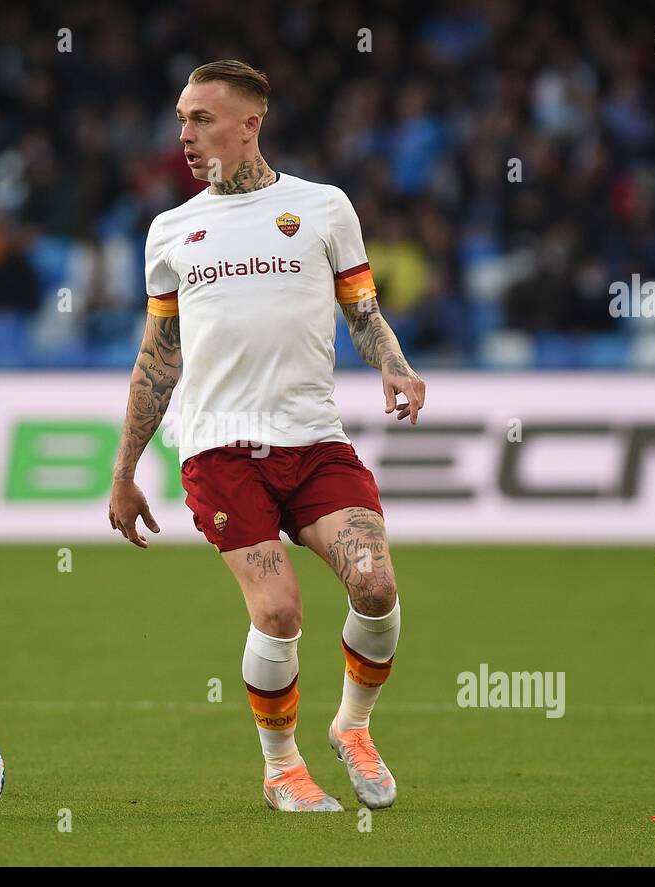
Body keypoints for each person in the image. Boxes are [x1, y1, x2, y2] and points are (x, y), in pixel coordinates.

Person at [108, 60, 426, 812]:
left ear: (250, 124)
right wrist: (124, 471)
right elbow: (158, 356)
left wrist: (395, 366)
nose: (184, 134)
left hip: (314, 442)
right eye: (182, 118)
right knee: (279, 611)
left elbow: (362, 310)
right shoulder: (172, 230)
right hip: (220, 449)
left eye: (202, 119)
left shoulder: (323, 208)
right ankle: (281, 768)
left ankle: (351, 728)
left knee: (376, 587)